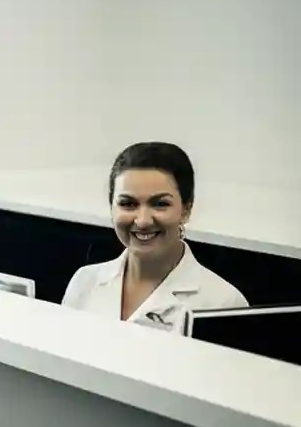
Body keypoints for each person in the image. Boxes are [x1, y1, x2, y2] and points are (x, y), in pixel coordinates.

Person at [62, 142, 247, 333]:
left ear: (186, 209)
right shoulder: (84, 282)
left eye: (160, 204)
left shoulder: (223, 303)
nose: (142, 221)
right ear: (111, 207)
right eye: (128, 204)